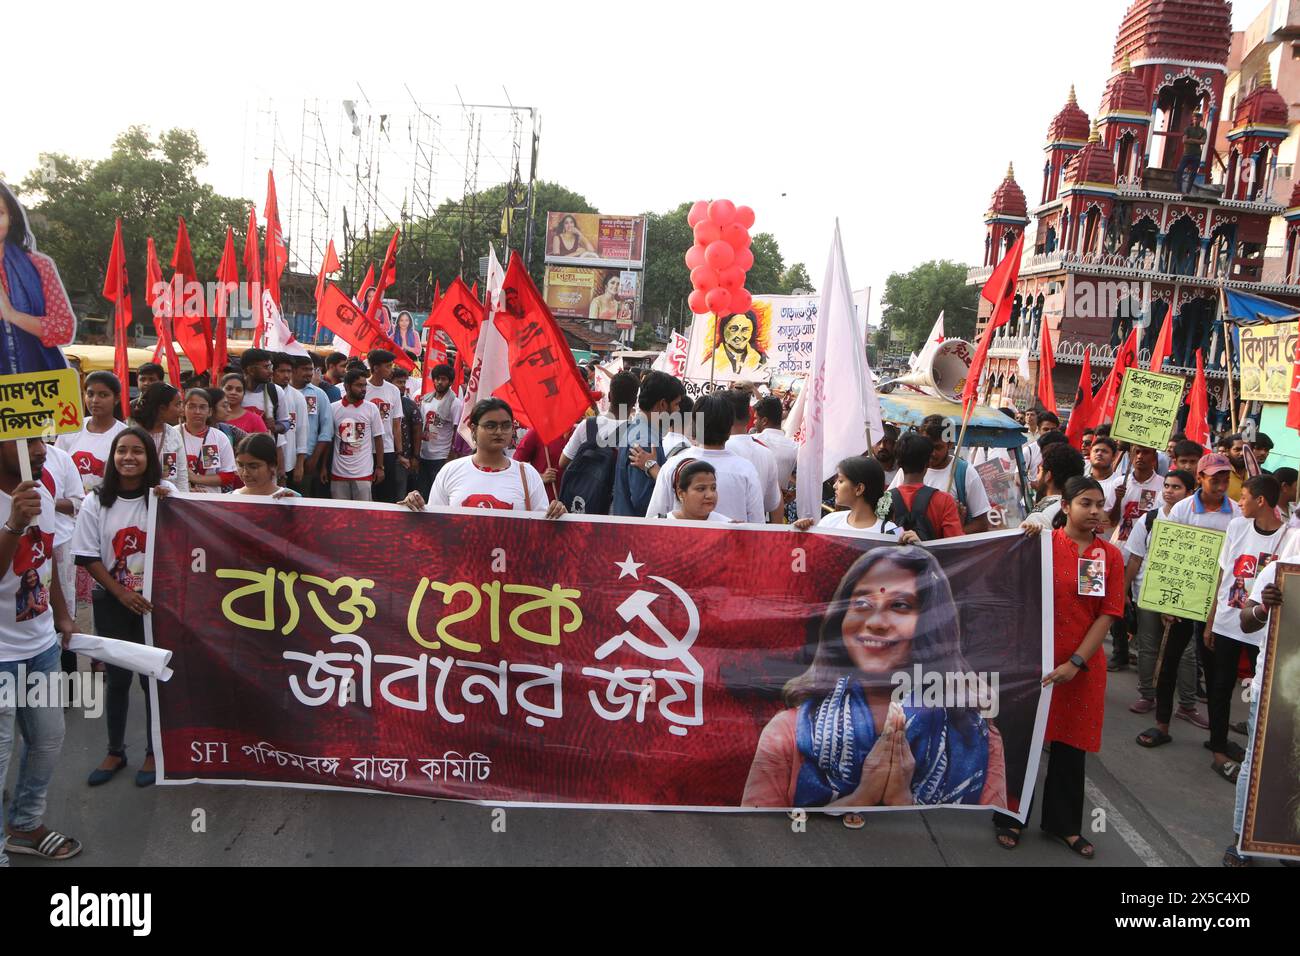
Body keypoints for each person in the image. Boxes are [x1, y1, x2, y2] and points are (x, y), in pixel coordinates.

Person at [743, 547, 1006, 831]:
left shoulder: (975, 735)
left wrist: (901, 801)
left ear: (931, 623)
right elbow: (760, 835)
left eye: (901, 605)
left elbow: (978, 843)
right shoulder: (788, 732)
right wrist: (860, 797)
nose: (877, 622)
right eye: (862, 604)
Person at [997, 477, 1123, 857]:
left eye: (1100, 504)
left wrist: (1075, 662)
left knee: (1071, 747)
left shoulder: (1109, 557)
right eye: (1086, 503)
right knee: (1023, 743)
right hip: (1033, 663)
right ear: (1065, 507)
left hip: (1081, 670)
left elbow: (1108, 614)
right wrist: (1021, 536)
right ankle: (1009, 818)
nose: (1096, 511)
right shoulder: (1040, 546)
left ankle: (1063, 825)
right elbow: (1005, 584)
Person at [72, 427, 177, 789]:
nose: (128, 457)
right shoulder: (96, 500)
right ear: (112, 457)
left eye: (137, 451)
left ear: (150, 458)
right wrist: (121, 593)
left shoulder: (165, 496)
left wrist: (172, 501)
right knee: (117, 679)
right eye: (121, 451)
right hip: (114, 602)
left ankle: (155, 751)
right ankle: (115, 750)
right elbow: (87, 556)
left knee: (153, 680)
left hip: (156, 604)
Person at [0, 435, 80, 862]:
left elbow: (43, 559)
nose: (40, 449)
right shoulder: (18, 505)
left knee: (48, 740)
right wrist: (13, 524)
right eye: (26, 441)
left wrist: (62, 613)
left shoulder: (43, 491)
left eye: (40, 439)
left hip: (42, 645)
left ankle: (25, 825)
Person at [1137, 454, 1243, 751]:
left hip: (1218, 603)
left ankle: (1218, 740)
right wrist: (1165, 601)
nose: (1222, 484)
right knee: (1169, 661)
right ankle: (1161, 724)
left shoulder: (1236, 513)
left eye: (1226, 479)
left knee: (1216, 672)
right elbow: (1165, 552)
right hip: (1181, 597)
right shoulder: (1182, 508)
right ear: (1200, 478)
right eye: (1215, 478)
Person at [1203, 475, 1288, 784]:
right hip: (1228, 621)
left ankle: (1256, 753)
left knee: (1260, 695)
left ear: (1261, 501)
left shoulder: (1290, 536)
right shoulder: (1237, 527)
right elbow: (1222, 573)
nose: (1239, 501)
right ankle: (1219, 751)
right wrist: (1211, 620)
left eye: (1245, 496)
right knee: (1220, 688)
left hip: (1264, 631)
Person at [1223, 528, 1300, 866]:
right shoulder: (1282, 569)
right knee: (1256, 764)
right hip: (1274, 692)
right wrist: (1262, 609)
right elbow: (1245, 621)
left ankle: (1285, 841)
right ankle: (1242, 841)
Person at [1124, 470, 1206, 728]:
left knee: (1187, 653)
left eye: (1177, 487)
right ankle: (1147, 695)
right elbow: (1135, 558)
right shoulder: (1149, 520)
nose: (1169, 491)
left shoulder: (1198, 522)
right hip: (1149, 593)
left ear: (1190, 492)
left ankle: (1187, 704)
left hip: (1185, 596)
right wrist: (1123, 593)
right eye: (1167, 486)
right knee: (1148, 647)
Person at [402, 398, 566, 517]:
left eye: (506, 425)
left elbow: (543, 527)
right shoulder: (450, 471)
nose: (499, 431)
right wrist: (415, 505)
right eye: (490, 425)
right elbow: (435, 523)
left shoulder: (528, 474)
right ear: (473, 429)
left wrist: (558, 513)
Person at [644, 395, 764, 523]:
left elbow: (653, 523)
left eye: (713, 488)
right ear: (730, 428)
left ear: (695, 425)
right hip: (732, 542)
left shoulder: (673, 465)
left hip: (680, 541)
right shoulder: (745, 469)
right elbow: (757, 525)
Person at [0, 181, 76, 375]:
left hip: (36, 390)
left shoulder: (39, 266)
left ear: (11, 218)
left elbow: (63, 329)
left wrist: (13, 315)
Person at [888, 414, 990, 534]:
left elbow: (982, 524)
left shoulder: (965, 473)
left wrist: (954, 528)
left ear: (950, 444)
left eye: (938, 447)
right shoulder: (909, 467)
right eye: (928, 446)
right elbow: (887, 522)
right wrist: (904, 537)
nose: (931, 453)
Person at [612, 370, 684, 517]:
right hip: (638, 529)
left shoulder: (641, 430)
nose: (679, 410)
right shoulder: (644, 440)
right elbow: (643, 500)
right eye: (676, 404)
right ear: (663, 404)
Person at [793, 457, 903, 538]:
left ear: (859, 488)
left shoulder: (892, 531)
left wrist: (915, 544)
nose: (834, 486)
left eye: (840, 481)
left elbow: (912, 556)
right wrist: (798, 532)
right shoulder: (829, 521)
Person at [56, 371, 127, 496]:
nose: (95, 400)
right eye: (90, 394)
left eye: (103, 395)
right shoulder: (71, 429)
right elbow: (56, 467)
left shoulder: (124, 435)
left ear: (116, 398)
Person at [888, 433, 964, 540]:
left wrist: (900, 534)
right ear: (928, 462)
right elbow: (955, 545)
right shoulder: (945, 501)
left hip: (893, 556)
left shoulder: (883, 501)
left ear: (899, 463)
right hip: (934, 557)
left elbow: (877, 540)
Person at [325, 368, 384, 502]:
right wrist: (324, 467)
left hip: (363, 474)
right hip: (338, 474)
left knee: (363, 517)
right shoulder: (333, 408)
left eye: (364, 385)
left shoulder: (371, 408)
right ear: (347, 386)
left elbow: (379, 438)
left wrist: (380, 467)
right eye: (359, 385)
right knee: (340, 516)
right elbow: (328, 439)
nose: (363, 389)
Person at [722, 390, 782, 521]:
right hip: (754, 533)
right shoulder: (766, 452)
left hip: (718, 533)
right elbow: (773, 503)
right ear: (749, 415)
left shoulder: (718, 450)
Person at [129, 382, 190, 492]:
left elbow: (181, 476)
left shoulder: (174, 435)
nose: (181, 410)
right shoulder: (131, 434)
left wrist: (182, 503)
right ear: (162, 408)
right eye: (177, 405)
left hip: (166, 499)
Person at [364, 349, 406, 503]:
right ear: (375, 368)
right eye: (388, 366)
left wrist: (399, 452)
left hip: (387, 449)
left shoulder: (393, 391)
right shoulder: (363, 388)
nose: (391, 370)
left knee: (386, 495)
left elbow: (396, 424)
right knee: (367, 493)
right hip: (365, 449)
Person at [290, 354, 334, 499]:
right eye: (305, 369)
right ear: (293, 370)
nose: (309, 373)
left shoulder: (319, 394)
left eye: (311, 369)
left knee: (303, 502)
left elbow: (327, 430)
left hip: (307, 460)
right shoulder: (281, 392)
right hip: (282, 459)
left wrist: (314, 459)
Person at [416, 364, 462, 498]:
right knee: (423, 493)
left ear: (450, 382)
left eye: (443, 379)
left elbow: (456, 431)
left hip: (441, 456)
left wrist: (451, 457)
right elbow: (420, 426)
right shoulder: (426, 399)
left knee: (439, 495)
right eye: (436, 379)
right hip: (424, 454)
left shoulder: (455, 403)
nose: (439, 382)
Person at [180, 388, 236, 494]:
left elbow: (228, 476)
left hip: (209, 501)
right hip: (178, 499)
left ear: (210, 412)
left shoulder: (220, 438)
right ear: (183, 409)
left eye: (202, 407)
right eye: (191, 406)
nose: (197, 412)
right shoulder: (173, 435)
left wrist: (195, 478)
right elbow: (167, 472)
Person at [1024, 442, 1086, 528]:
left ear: (1048, 476)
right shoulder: (1084, 510)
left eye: (1039, 470)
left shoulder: (1038, 517)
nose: (1036, 476)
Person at [1110, 444, 1163, 543]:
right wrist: (1118, 500)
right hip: (1121, 546)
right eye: (1137, 452)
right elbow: (1112, 522)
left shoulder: (1163, 485)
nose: (1139, 456)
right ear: (1131, 456)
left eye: (1146, 452)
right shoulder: (1119, 483)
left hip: (1147, 546)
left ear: (1154, 457)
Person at [271, 353, 310, 490]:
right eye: (282, 371)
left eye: (289, 371)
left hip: (289, 460)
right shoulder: (264, 395)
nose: (286, 375)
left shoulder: (297, 397)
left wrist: (299, 464)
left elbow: (302, 431)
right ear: (272, 371)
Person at [656, 459, 732, 522]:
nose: (710, 495)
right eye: (701, 489)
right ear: (681, 493)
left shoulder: (727, 526)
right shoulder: (659, 525)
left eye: (713, 488)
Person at [754, 396, 797, 499]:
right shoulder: (794, 446)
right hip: (779, 505)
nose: (754, 422)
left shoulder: (751, 441)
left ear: (764, 421)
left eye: (756, 418)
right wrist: (793, 493)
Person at [232, 434, 299, 499]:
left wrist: (292, 506)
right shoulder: (229, 499)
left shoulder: (290, 498)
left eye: (253, 467)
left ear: (272, 466)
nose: (245, 473)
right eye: (240, 465)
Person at [710, 311, 768, 376]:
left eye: (745, 330)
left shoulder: (760, 361)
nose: (739, 336)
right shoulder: (711, 362)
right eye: (734, 329)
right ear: (723, 330)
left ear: (752, 332)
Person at [221, 373, 271, 437]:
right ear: (221, 389)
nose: (233, 392)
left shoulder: (255, 420)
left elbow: (264, 444)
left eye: (238, 390)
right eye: (229, 388)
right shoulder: (213, 417)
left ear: (244, 393)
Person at [205, 386, 248, 453]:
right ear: (211, 408)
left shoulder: (229, 430)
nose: (229, 409)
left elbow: (251, 440)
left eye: (228, 405)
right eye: (224, 406)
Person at [1177, 112, 1207, 193]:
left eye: (1197, 119)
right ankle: (1179, 190)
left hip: (1196, 154)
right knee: (1179, 171)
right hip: (1187, 153)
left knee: (1193, 174)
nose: (1195, 120)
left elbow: (1203, 141)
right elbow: (1184, 140)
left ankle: (1188, 191)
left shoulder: (1203, 131)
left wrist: (1191, 140)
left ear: (1201, 120)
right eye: (1194, 119)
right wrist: (1197, 141)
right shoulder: (1188, 129)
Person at [1215, 433, 1248, 502]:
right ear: (1227, 451)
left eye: (1245, 449)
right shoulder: (1218, 474)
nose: (1242, 453)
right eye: (1237, 450)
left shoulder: (1254, 474)